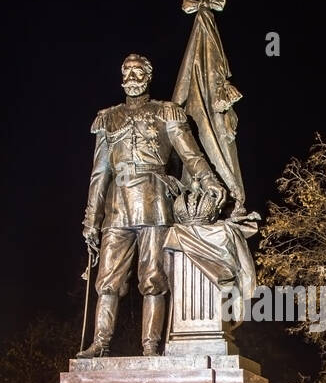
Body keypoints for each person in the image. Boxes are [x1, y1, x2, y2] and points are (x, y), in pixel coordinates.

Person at [78, 53, 228, 357]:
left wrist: (210, 181)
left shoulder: (166, 113)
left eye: (138, 71)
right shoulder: (107, 118)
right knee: (106, 280)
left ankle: (150, 346)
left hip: (154, 201)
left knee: (153, 278)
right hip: (116, 207)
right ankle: (100, 343)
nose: (132, 77)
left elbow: (191, 154)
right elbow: (98, 174)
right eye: (127, 71)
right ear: (122, 77)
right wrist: (91, 220)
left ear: (148, 76)